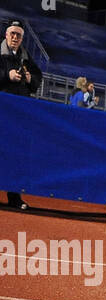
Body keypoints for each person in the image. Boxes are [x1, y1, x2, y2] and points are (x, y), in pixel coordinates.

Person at [2, 18, 43, 210]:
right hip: (2, 112)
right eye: (12, 33)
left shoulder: (26, 57)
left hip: (19, 115)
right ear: (6, 34)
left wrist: (29, 78)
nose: (15, 37)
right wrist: (6, 75)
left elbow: (37, 79)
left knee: (15, 155)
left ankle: (14, 196)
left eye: (18, 35)